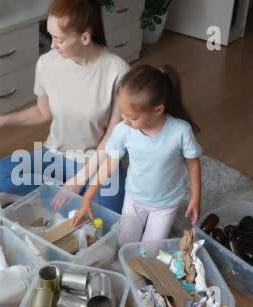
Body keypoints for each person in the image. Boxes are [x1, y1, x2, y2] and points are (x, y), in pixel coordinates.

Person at [0, 0, 129, 212]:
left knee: (109, 213)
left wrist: (78, 180)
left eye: (59, 40)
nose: (52, 46)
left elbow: (113, 138)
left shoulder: (117, 71)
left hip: (97, 162)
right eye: (50, 36)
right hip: (54, 155)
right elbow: (43, 112)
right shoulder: (47, 63)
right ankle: (63, 197)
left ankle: (55, 196)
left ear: (85, 37)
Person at [72, 64, 203, 246]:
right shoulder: (123, 131)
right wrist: (88, 195)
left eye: (132, 117)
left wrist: (196, 196)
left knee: (150, 250)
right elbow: (110, 164)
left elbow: (193, 162)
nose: (124, 120)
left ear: (158, 110)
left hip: (165, 204)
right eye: (122, 113)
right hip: (134, 198)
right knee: (125, 244)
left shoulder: (180, 131)